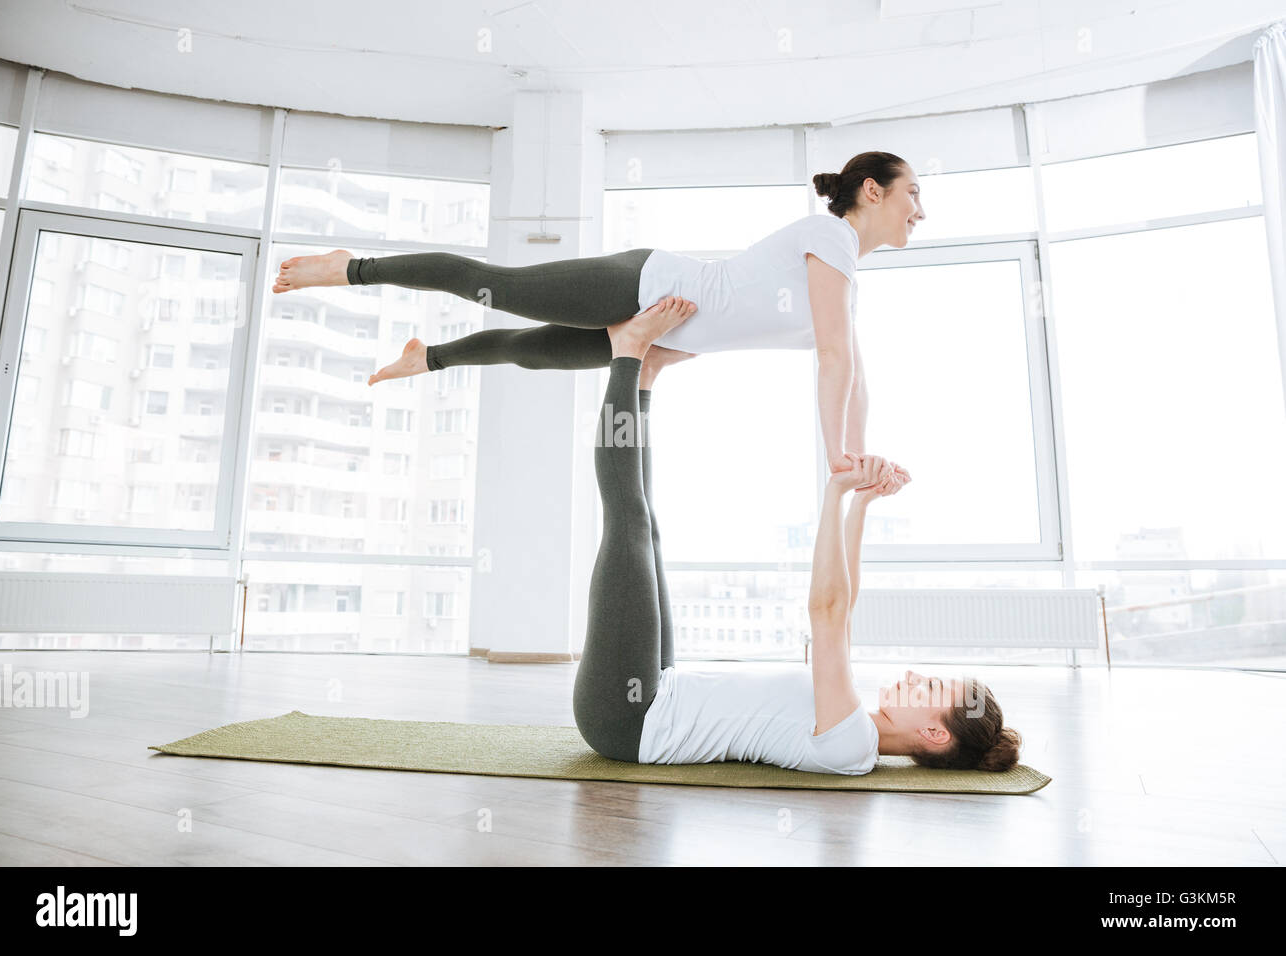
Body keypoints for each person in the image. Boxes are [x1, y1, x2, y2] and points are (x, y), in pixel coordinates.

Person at [573, 296, 1022, 774]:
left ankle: (627, 354)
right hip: (659, 689)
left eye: (928, 688)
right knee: (647, 528)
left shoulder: (848, 743)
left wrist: (836, 492)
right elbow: (844, 606)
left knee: (628, 522)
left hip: (630, 720)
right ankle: (643, 378)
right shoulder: (851, 716)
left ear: (934, 734)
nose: (913, 675)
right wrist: (862, 501)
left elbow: (825, 611)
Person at [271, 151, 923, 475]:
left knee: (526, 353)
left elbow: (855, 375)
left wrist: (858, 457)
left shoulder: (844, 282)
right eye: (913, 193)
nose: (920, 209)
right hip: (645, 285)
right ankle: (351, 267)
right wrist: (839, 454)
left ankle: (429, 357)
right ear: (872, 191)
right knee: (489, 284)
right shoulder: (832, 237)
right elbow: (835, 359)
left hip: (651, 334)